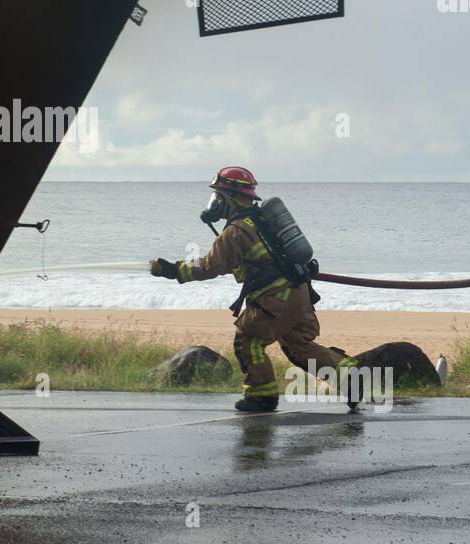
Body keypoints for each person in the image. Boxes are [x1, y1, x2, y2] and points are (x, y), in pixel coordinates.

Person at [149, 166, 359, 412]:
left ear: (230, 198)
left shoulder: (236, 230)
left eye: (218, 196)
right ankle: (350, 375)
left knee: (247, 342)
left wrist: (172, 270)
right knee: (298, 346)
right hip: (299, 294)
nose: (215, 202)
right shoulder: (262, 221)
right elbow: (234, 262)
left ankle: (262, 397)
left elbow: (209, 266)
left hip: (275, 299)